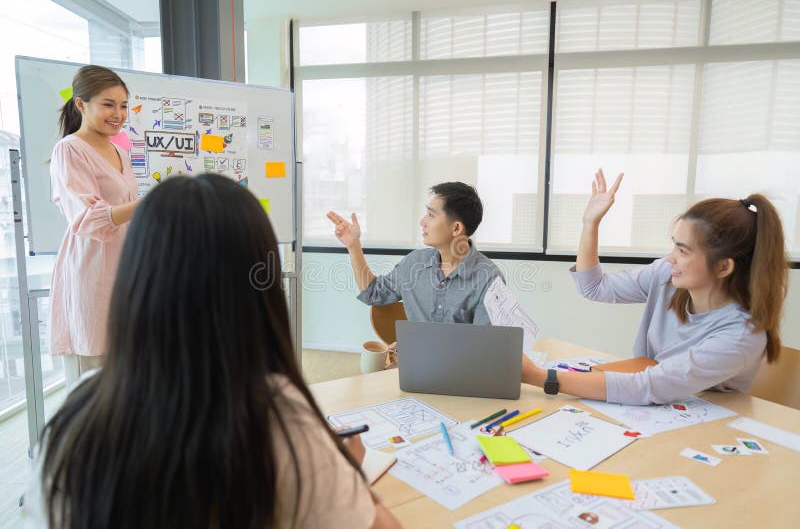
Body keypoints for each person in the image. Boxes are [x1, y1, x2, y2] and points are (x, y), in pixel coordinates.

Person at [24, 174, 401, 528]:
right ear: (260, 288)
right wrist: (349, 476)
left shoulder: (77, 410)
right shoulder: (284, 425)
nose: (419, 221)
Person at [522, 169, 788, 405]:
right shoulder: (667, 276)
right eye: (674, 244)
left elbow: (649, 385)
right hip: (654, 407)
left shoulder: (742, 336)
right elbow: (594, 287)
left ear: (723, 267)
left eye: (683, 250)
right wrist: (590, 224)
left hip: (706, 425)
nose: (670, 257)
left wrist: (539, 376)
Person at [327, 182, 503, 358]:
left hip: (460, 377)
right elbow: (373, 293)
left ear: (456, 228)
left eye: (431, 215)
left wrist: (415, 348)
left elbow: (483, 351)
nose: (422, 222)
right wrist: (353, 245)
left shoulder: (489, 279)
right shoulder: (415, 263)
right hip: (413, 367)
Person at [49, 65, 140, 388]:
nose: (119, 114)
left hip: (125, 271)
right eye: (108, 104)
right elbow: (88, 219)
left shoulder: (120, 151)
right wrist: (151, 203)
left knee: (127, 378)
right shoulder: (69, 150)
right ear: (80, 104)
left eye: (124, 105)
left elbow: (124, 214)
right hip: (92, 271)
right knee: (95, 384)